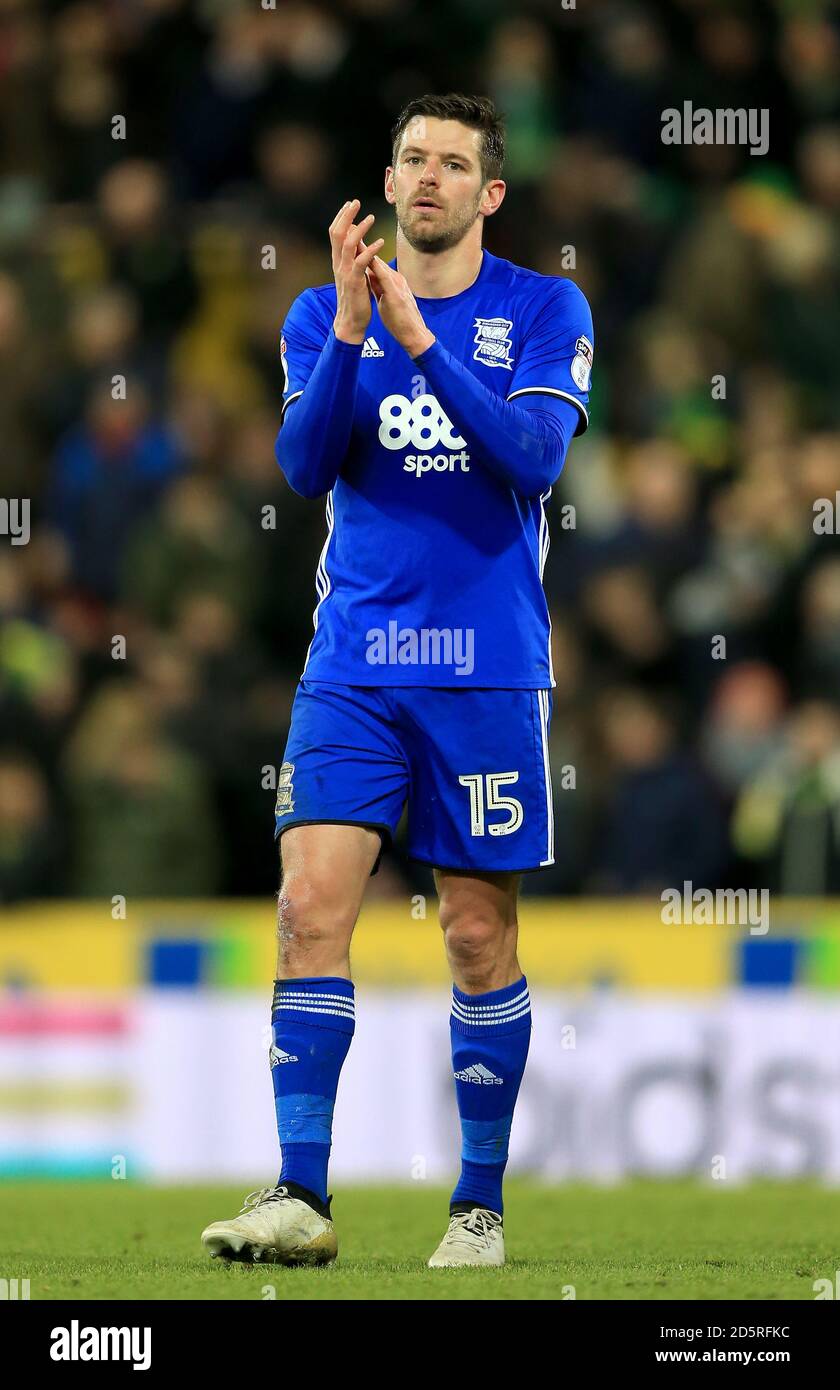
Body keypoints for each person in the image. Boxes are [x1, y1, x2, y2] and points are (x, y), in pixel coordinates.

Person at [201, 93, 593, 1269]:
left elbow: (530, 458)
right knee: (306, 907)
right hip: (356, 665)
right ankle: (299, 1195)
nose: (427, 177)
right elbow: (303, 462)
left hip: (484, 672)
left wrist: (421, 337)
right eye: (412, 158)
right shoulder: (326, 312)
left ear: (491, 193)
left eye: (453, 163)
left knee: (477, 936)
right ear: (387, 178)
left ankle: (477, 1207)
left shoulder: (543, 307)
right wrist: (363, 334)